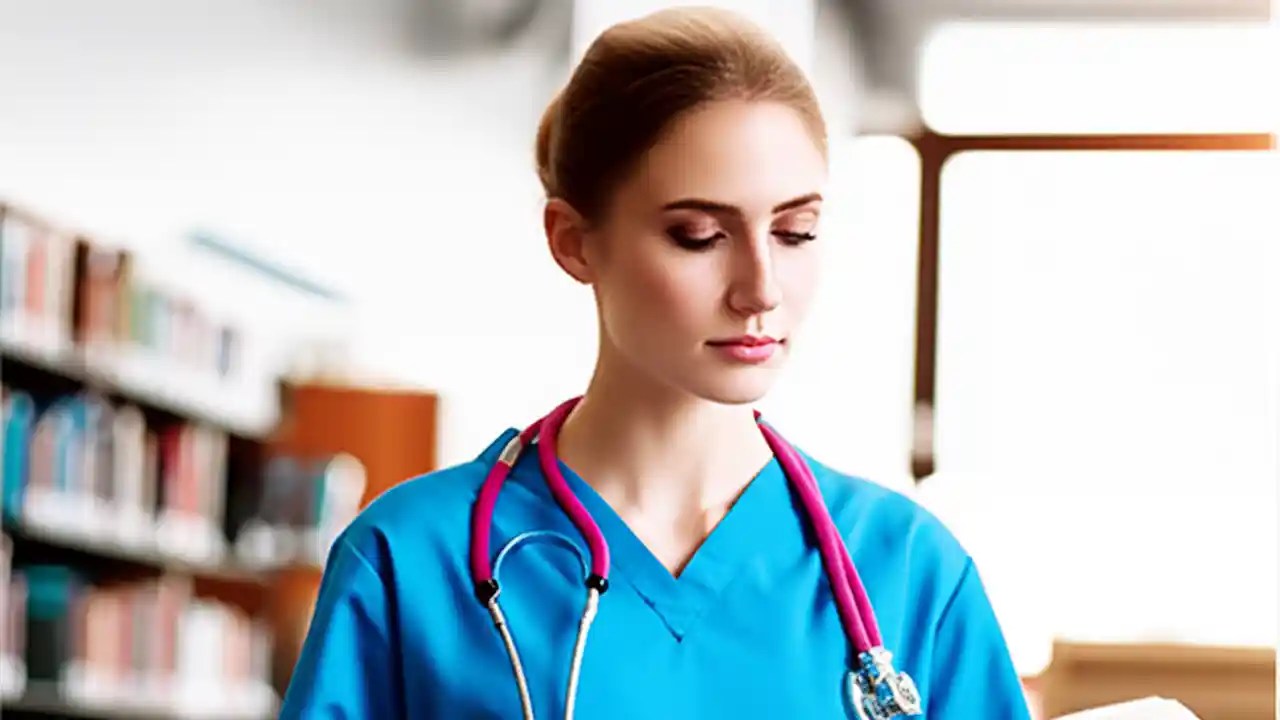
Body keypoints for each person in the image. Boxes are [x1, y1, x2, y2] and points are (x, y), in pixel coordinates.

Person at [279, 7, 1031, 719]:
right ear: (573, 240)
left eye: (796, 231)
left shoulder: (905, 571)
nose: (761, 288)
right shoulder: (412, 561)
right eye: (700, 235)